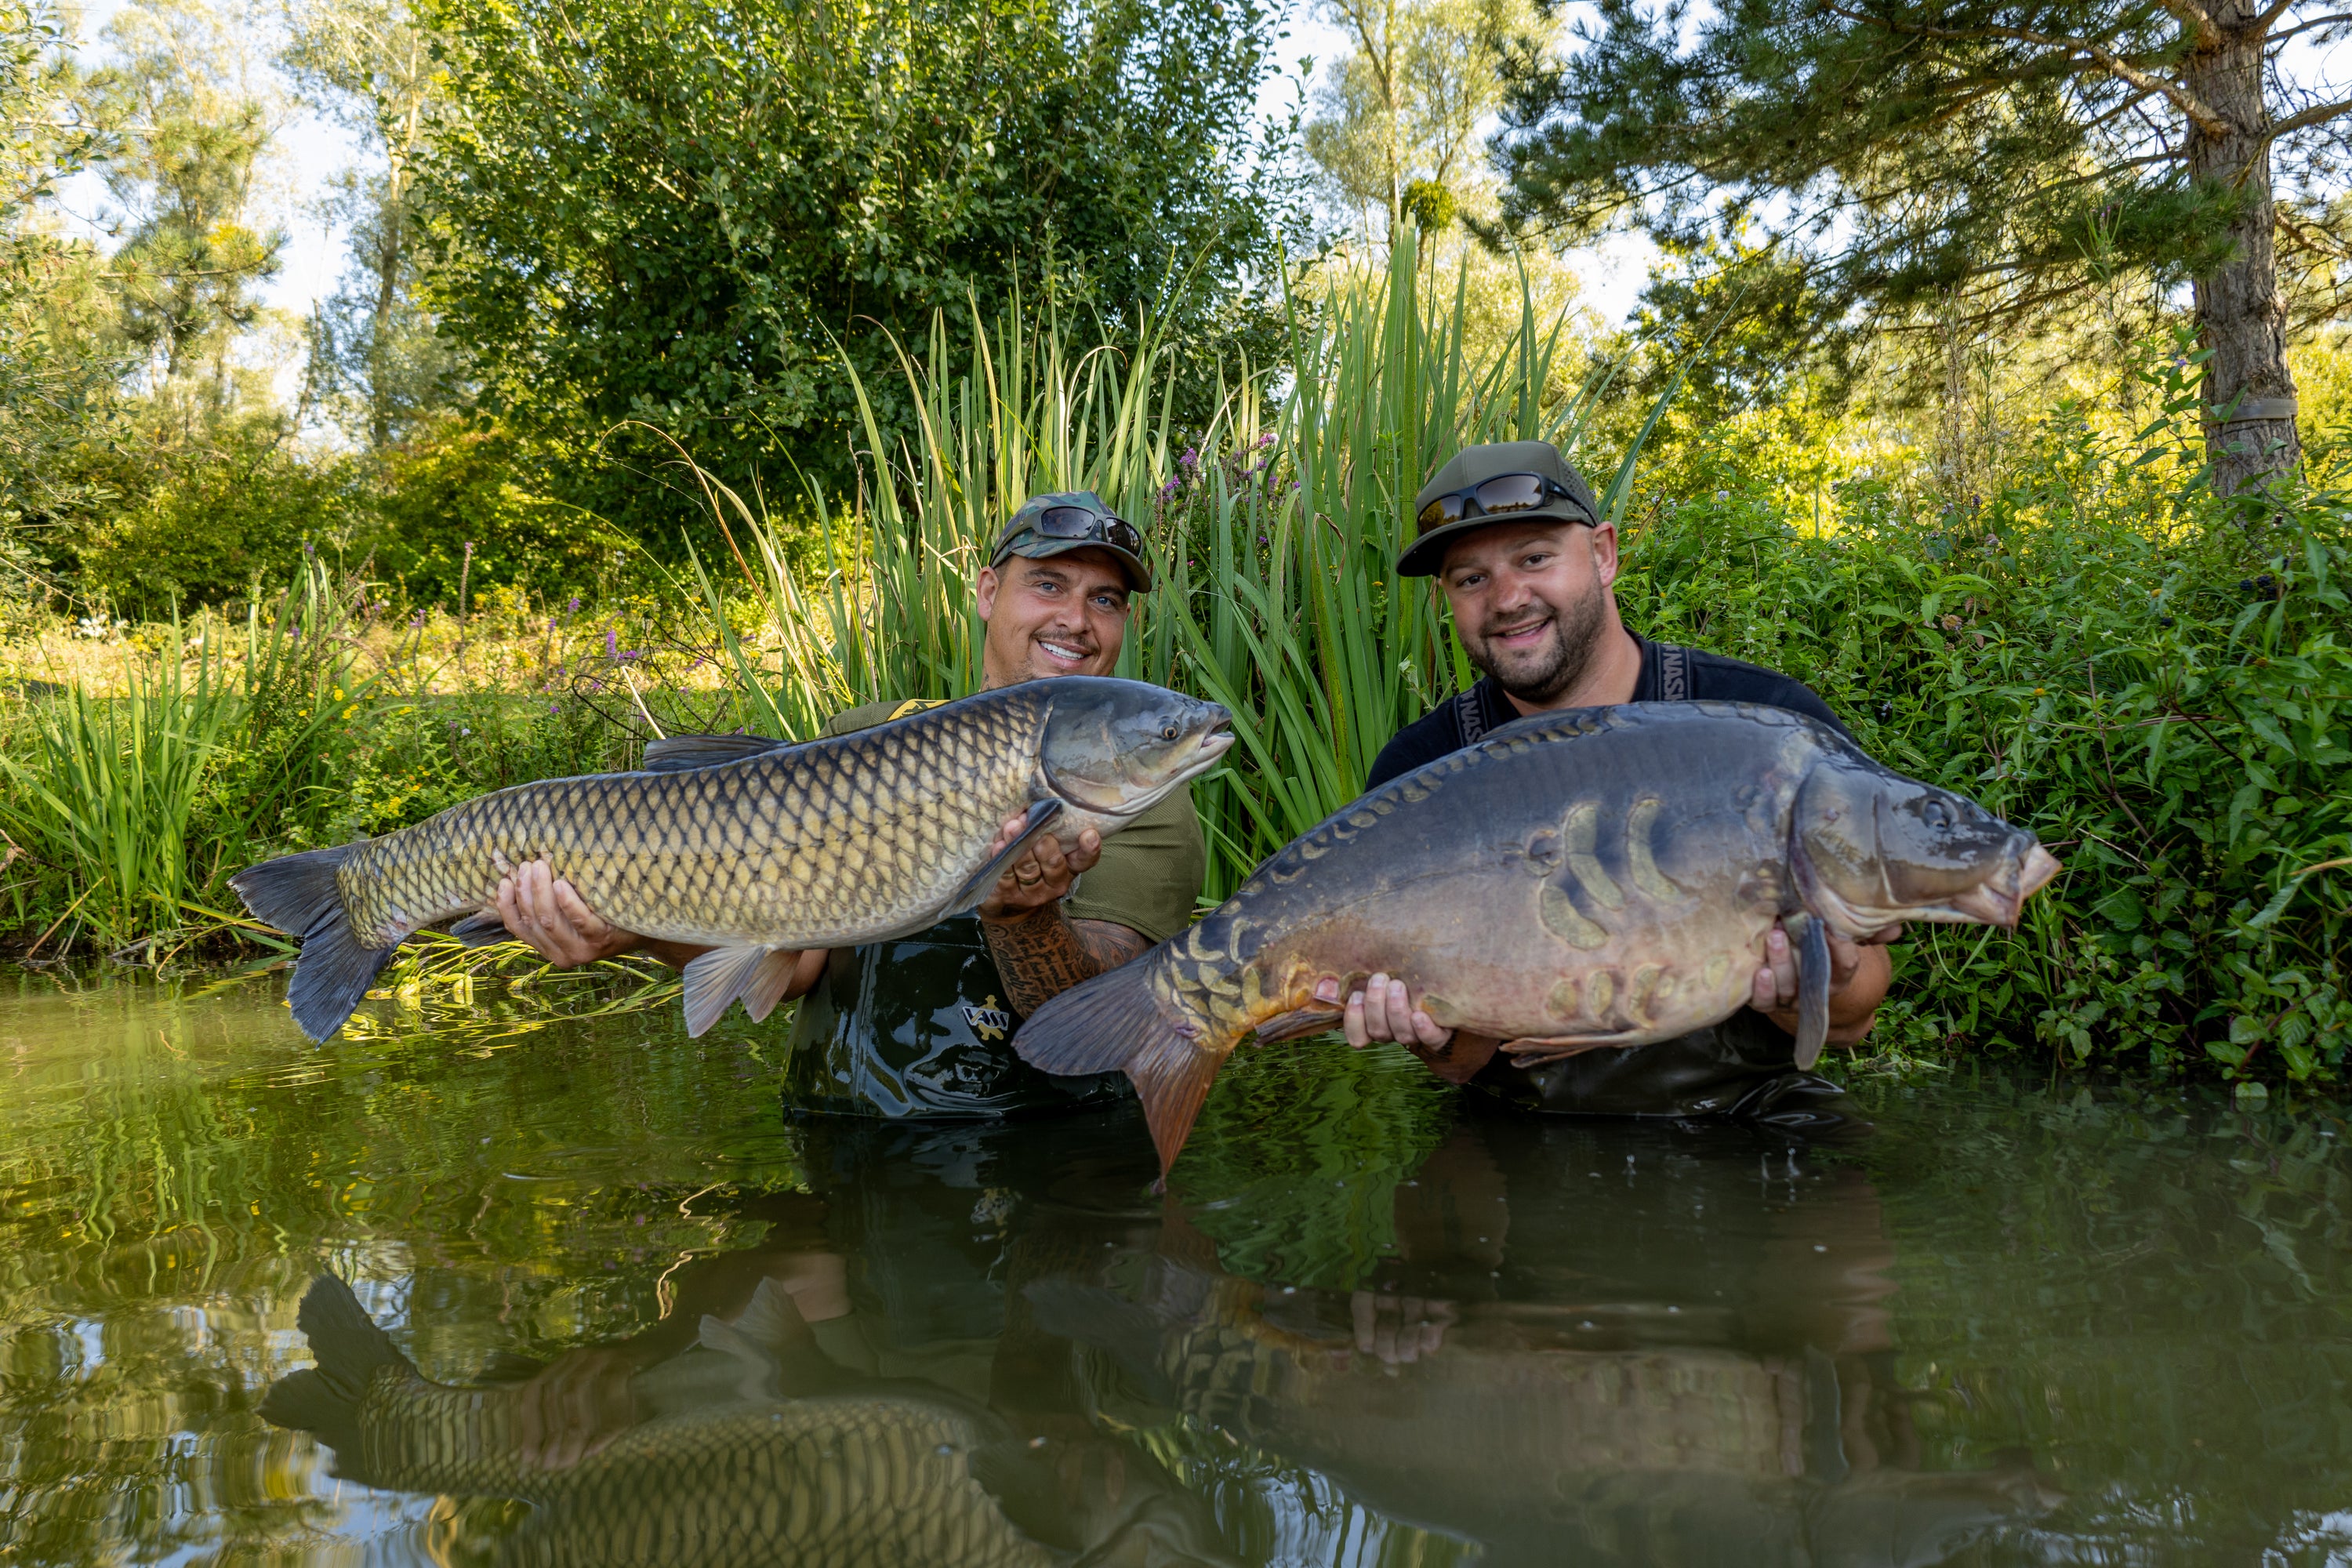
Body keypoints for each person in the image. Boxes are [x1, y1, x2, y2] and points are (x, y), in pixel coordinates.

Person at [491, 492, 1206, 1118]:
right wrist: (635, 931)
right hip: (841, 1124)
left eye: (1106, 600)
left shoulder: (1148, 799)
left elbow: (1105, 1018)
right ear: (989, 592)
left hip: (1041, 1158)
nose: (1077, 619)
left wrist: (1025, 918)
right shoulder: (863, 738)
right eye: (1048, 584)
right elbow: (794, 965)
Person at [1334, 440, 1898, 1129]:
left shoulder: (1766, 729)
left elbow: (1857, 1015)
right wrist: (1434, 1031)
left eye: (1535, 558)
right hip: (1524, 1122)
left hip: (1752, 1112)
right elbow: (1457, 1066)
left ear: (1603, 554)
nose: (1509, 599)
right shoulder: (1420, 773)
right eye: (1470, 579)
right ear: (1446, 597)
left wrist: (1796, 989)